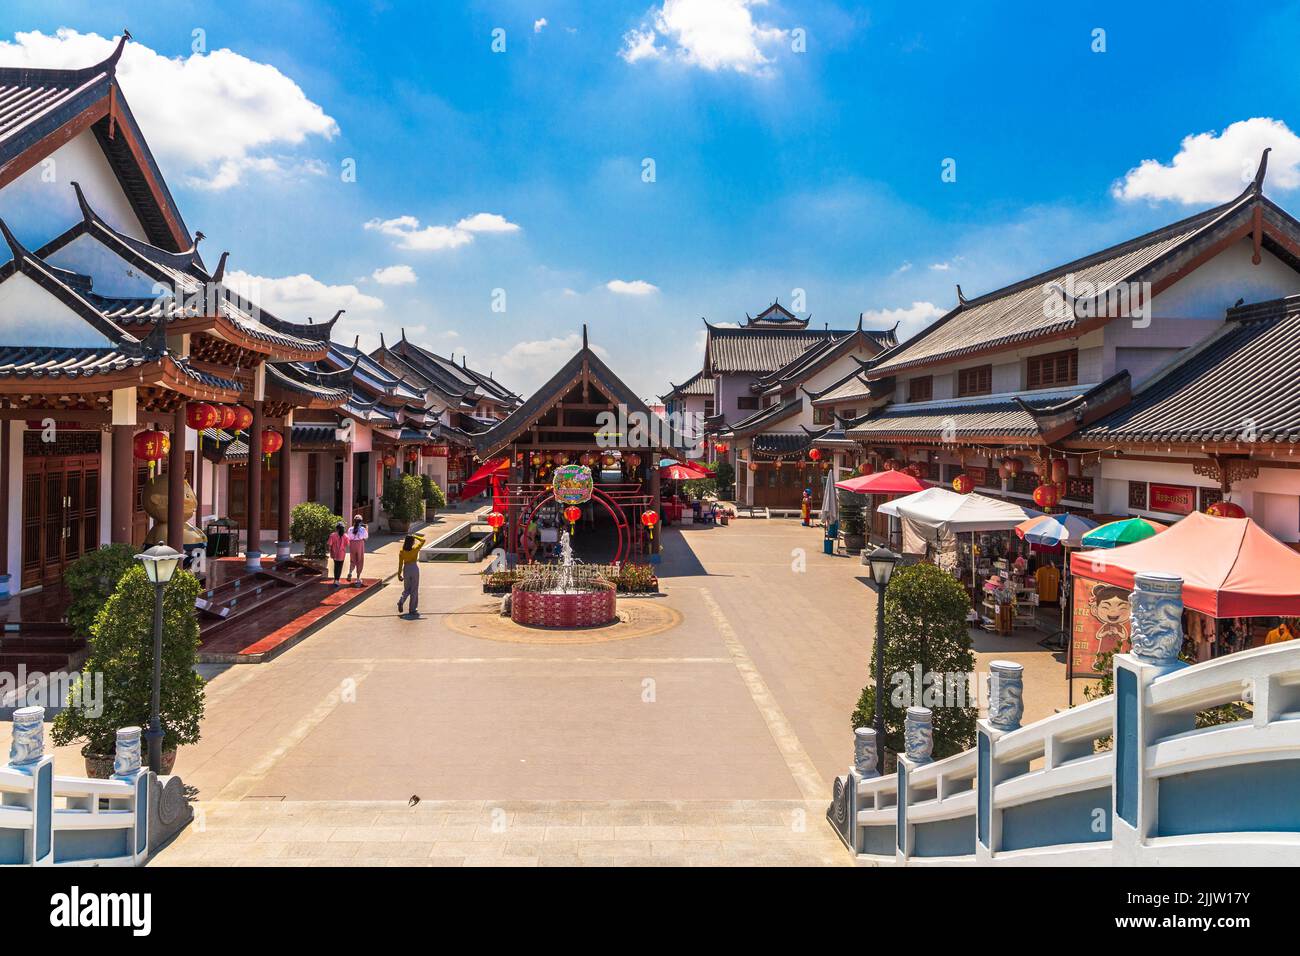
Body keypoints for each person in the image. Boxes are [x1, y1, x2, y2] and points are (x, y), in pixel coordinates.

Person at [396, 532, 425, 617]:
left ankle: (401, 600)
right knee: (414, 589)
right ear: (412, 542)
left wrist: (399, 574)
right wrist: (415, 536)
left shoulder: (402, 551)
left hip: (406, 569)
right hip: (414, 568)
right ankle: (412, 609)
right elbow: (423, 540)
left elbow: (400, 564)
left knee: (407, 589)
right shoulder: (415, 549)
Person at [346, 514, 368, 586]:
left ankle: (350, 572)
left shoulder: (350, 529)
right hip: (360, 544)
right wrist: (366, 529)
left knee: (353, 559)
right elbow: (366, 537)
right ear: (361, 521)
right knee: (360, 560)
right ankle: (358, 577)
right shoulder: (362, 529)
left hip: (352, 544)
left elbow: (348, 537)